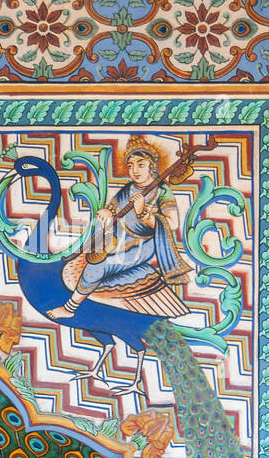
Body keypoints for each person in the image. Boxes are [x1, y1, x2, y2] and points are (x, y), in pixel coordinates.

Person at [47, 134, 191, 323]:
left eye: (140, 164)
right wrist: (107, 212)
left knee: (96, 267)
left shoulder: (161, 192)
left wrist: (143, 214)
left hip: (142, 244)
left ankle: (69, 308)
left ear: (152, 166)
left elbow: (172, 224)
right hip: (118, 237)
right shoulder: (129, 188)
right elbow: (114, 210)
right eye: (130, 166)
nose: (134, 170)